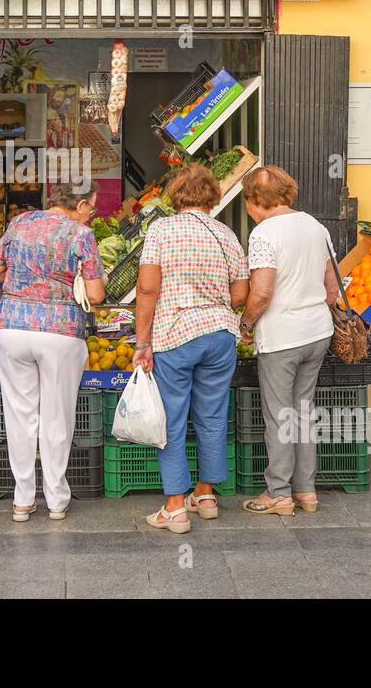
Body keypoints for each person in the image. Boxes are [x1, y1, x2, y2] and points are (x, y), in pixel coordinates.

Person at [133, 165, 249, 534]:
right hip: (219, 335)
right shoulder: (226, 234)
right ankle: (206, 495)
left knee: (171, 421)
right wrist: (213, 304)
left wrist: (142, 342)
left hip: (175, 335)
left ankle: (174, 508)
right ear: (213, 196)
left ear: (175, 194)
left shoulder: (161, 230)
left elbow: (148, 290)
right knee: (213, 416)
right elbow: (241, 294)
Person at [0, 182, 105, 522]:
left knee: (20, 414)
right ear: (79, 205)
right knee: (57, 416)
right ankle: (56, 499)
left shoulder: (19, 223)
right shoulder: (80, 234)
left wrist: (24, 283)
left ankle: (22, 500)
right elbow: (95, 295)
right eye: (91, 208)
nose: (91, 215)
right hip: (59, 330)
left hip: (13, 327)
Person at [237, 165, 338, 518]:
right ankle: (306, 492)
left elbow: (262, 292)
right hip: (318, 333)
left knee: (280, 416)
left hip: (283, 337)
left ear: (254, 200)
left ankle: (279, 493)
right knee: (303, 413)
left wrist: (246, 323)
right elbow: (331, 289)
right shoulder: (315, 226)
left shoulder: (265, 234)